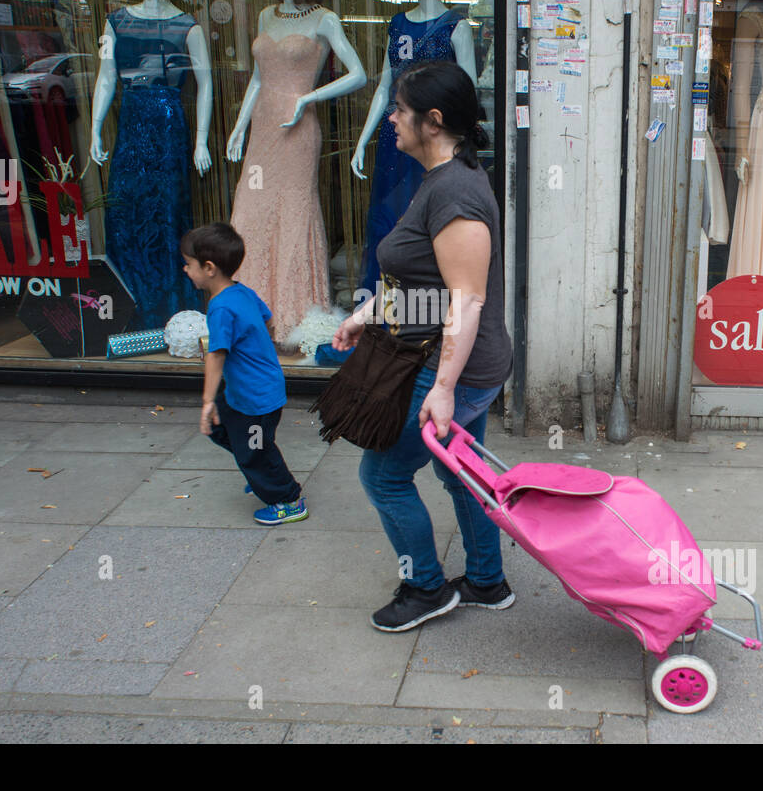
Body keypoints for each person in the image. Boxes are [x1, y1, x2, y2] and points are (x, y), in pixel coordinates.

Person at [332, 60, 514, 632]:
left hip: (451, 366)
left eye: (399, 110)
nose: (390, 119)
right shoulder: (444, 178)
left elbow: (464, 299)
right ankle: (487, 581)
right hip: (454, 361)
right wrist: (367, 313)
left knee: (382, 477)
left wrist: (441, 389)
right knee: (461, 472)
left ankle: (426, 588)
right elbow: (423, 283)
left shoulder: (455, 192)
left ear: (432, 121)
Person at [181, 223, 307, 525]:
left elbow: (216, 354)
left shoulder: (220, 307)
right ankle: (261, 473)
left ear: (209, 268)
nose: (186, 271)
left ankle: (287, 500)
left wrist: (207, 400)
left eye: (189, 265)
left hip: (255, 397)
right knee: (223, 430)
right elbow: (268, 320)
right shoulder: (242, 292)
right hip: (254, 390)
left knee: (256, 449)